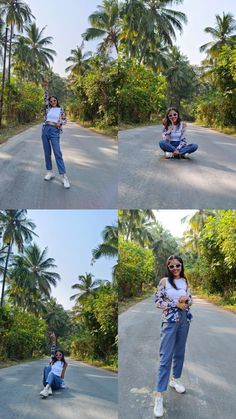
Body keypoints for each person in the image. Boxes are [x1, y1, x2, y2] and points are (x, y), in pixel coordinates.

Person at [153, 255, 193, 418]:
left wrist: (186, 300)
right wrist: (174, 304)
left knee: (179, 353)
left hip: (184, 320)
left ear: (182, 266)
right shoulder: (164, 282)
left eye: (178, 265)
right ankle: (159, 394)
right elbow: (157, 301)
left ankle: (175, 379)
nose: (175, 268)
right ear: (168, 268)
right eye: (172, 266)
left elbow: (190, 299)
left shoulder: (185, 281)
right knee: (165, 356)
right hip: (169, 321)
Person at [42, 80, 70, 188]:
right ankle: (50, 172)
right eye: (51, 101)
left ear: (57, 101)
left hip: (54, 131)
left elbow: (65, 120)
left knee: (57, 153)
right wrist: (47, 86)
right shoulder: (47, 109)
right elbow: (45, 97)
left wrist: (61, 123)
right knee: (47, 152)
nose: (52, 102)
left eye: (54, 100)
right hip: (45, 130)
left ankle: (64, 177)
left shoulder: (60, 109)